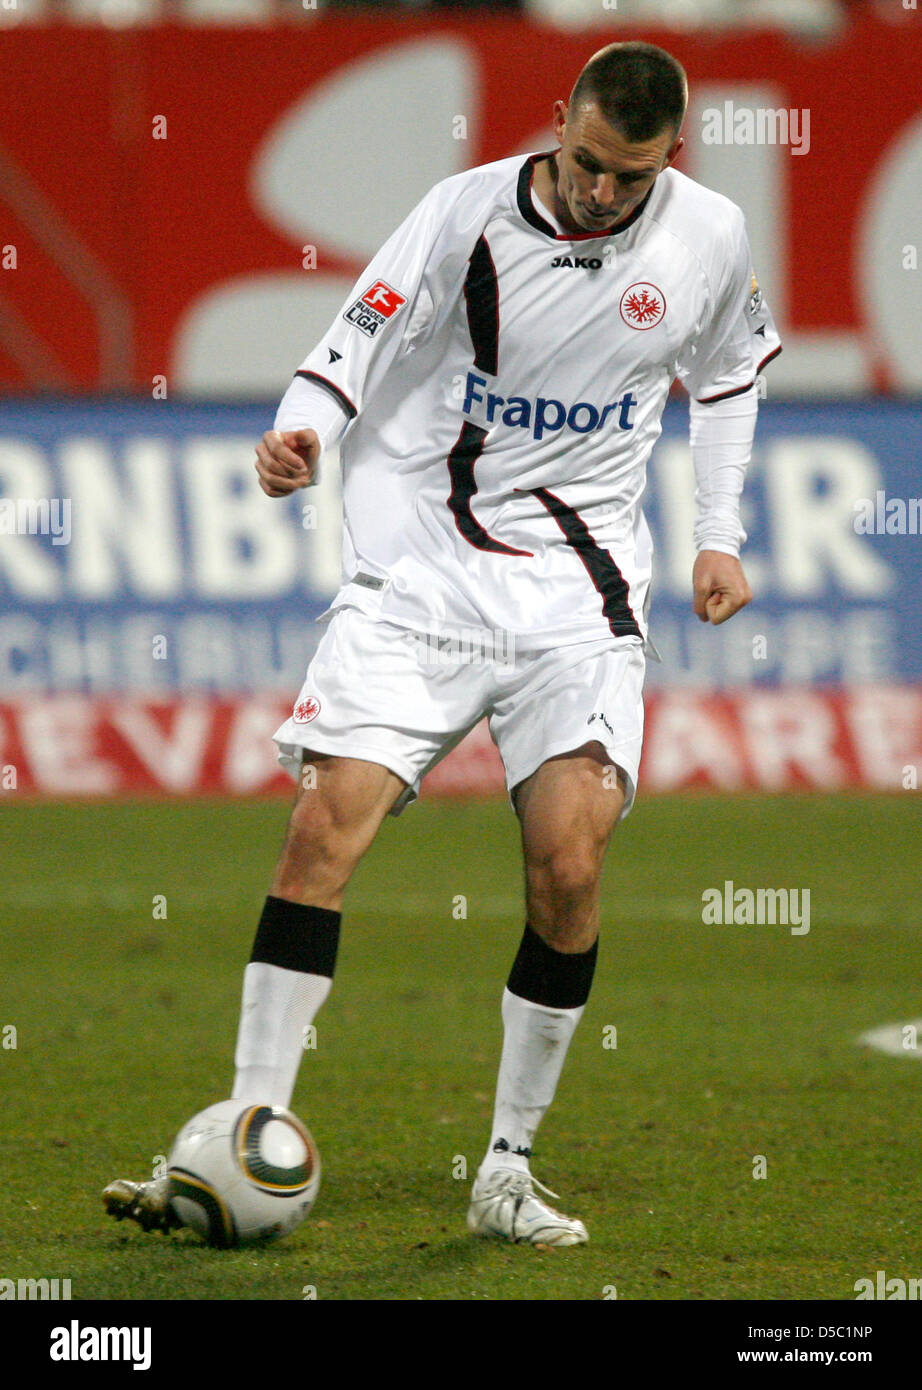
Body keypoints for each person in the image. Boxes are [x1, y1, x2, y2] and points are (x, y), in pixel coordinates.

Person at [104, 40, 780, 1247]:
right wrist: (298, 431)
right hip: (423, 575)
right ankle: (242, 1126)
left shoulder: (710, 236)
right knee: (323, 827)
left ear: (666, 160)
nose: (600, 194)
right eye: (584, 164)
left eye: (629, 177)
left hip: (578, 594)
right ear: (556, 121)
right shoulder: (460, 217)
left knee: (569, 867)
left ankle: (507, 1167)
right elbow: (347, 345)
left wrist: (718, 535)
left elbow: (728, 375)